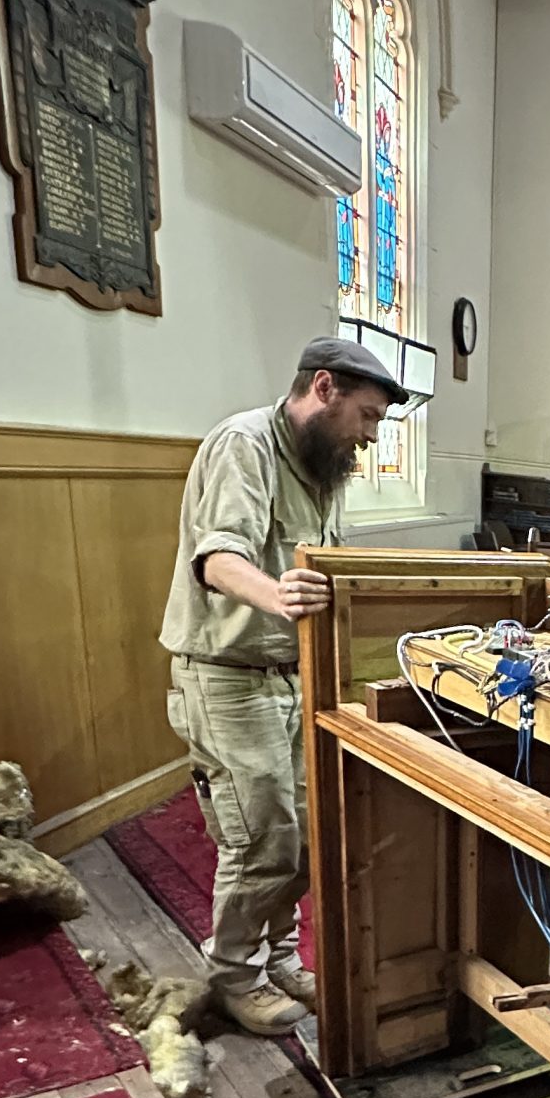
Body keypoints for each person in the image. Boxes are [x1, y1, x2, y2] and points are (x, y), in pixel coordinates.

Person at [159, 336, 405, 1034]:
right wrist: (279, 596)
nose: (368, 435)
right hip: (228, 675)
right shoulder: (243, 445)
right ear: (323, 388)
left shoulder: (322, 465)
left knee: (307, 829)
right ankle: (234, 974)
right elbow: (217, 560)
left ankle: (278, 956)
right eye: (366, 416)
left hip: (294, 675)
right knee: (262, 836)